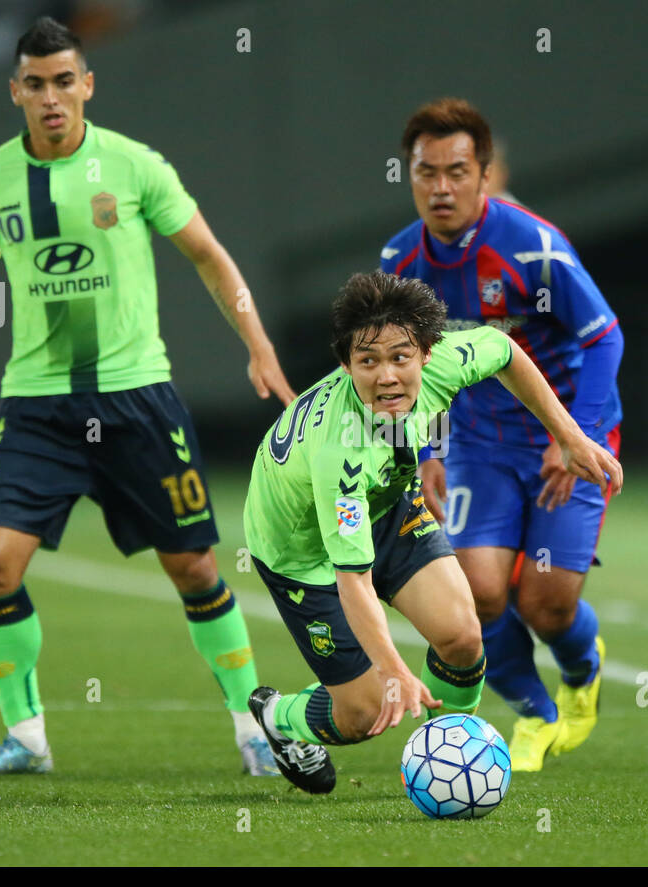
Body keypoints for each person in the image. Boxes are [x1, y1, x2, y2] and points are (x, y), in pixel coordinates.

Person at [0, 17, 293, 776]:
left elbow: (209, 257)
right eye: (36, 84)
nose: (52, 97)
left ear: (87, 83)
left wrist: (260, 346)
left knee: (196, 570)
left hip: (136, 399)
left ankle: (253, 731)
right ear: (16, 91)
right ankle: (27, 738)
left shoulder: (136, 166)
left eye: (64, 80)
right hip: (36, 407)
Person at [242, 271, 621, 794]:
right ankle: (277, 717)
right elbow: (354, 580)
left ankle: (449, 759)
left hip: (389, 503)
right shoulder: (343, 454)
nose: (387, 376)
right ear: (345, 364)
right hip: (301, 550)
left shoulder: (447, 360)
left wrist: (570, 437)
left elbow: (504, 351)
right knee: (364, 712)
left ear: (426, 352)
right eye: (367, 361)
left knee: (463, 638)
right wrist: (393, 668)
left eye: (400, 357)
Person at [380, 98, 625, 771]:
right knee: (480, 593)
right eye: (425, 173)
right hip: (478, 446)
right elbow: (408, 365)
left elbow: (605, 338)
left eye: (456, 172)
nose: (440, 188)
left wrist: (574, 434)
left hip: (566, 434)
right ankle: (535, 714)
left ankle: (581, 669)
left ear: (485, 175)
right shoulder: (401, 259)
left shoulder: (533, 247)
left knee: (546, 606)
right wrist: (425, 451)